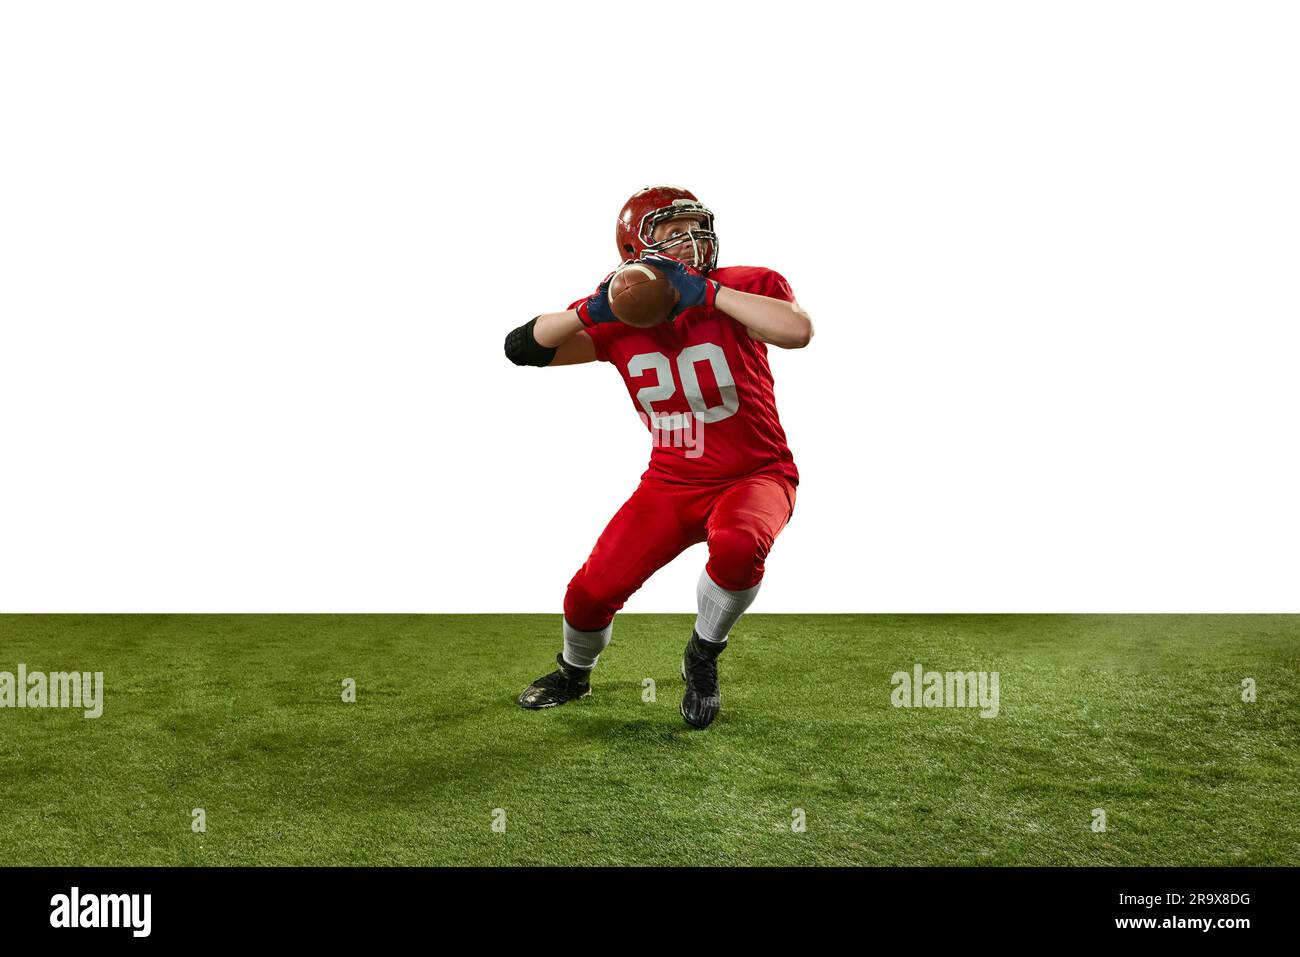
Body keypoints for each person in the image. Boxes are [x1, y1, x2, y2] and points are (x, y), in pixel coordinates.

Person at [503, 185, 813, 728]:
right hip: (670, 482)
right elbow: (522, 349)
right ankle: (574, 673)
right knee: (588, 592)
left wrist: (707, 295)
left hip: (756, 473)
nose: (692, 241)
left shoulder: (742, 287)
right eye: (673, 233)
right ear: (636, 247)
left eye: (697, 228)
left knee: (740, 545)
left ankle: (703, 655)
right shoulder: (621, 319)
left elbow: (798, 331)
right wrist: (590, 310)